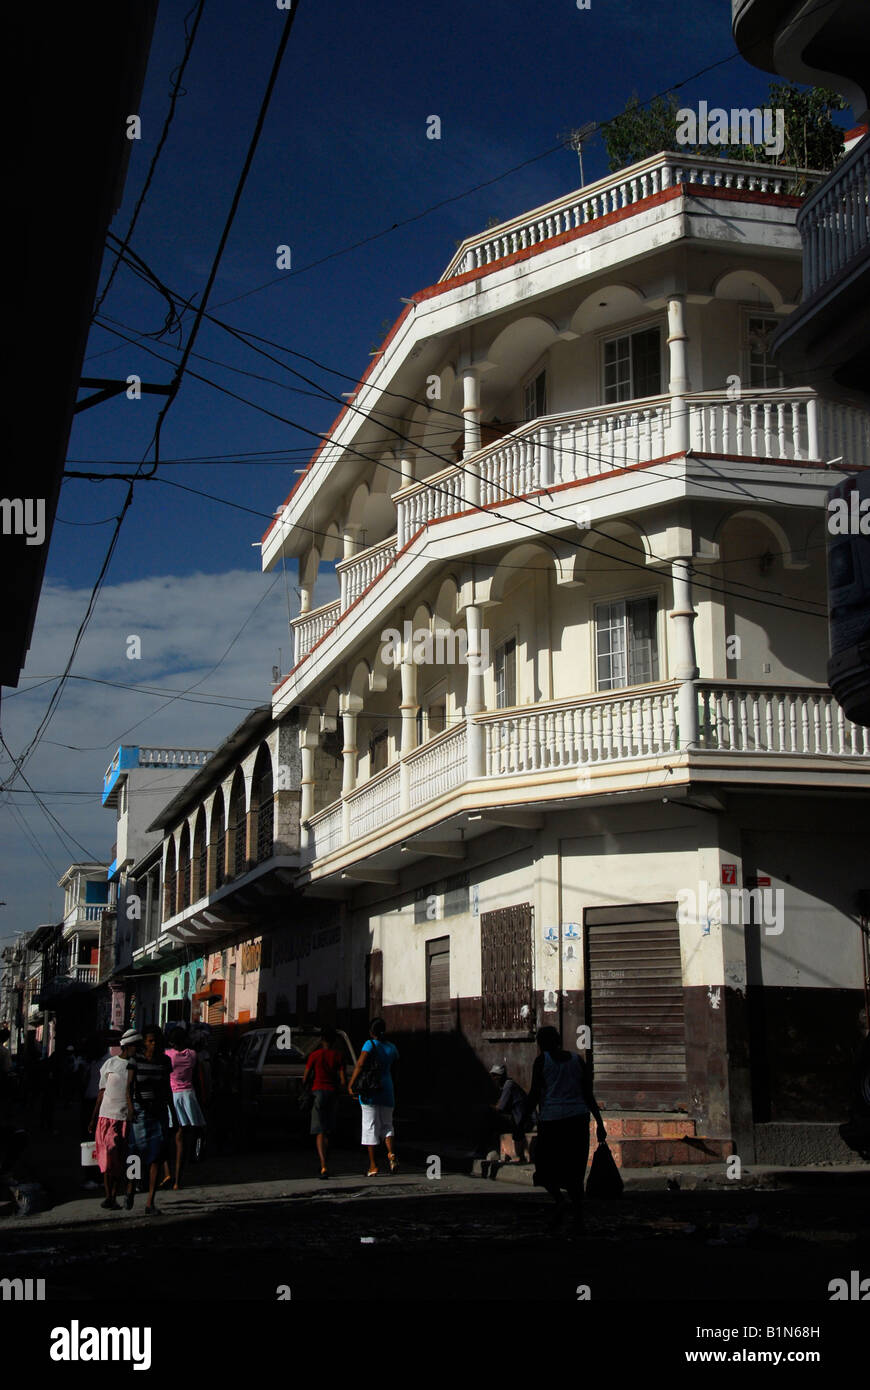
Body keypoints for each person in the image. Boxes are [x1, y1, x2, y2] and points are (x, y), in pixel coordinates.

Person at [525, 1026, 606, 1218]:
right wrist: (599, 1123)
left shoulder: (542, 1061)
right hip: (578, 1119)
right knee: (575, 1166)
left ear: (541, 1044)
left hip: (552, 1121)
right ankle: (577, 1208)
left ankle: (561, 1201)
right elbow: (588, 1094)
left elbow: (534, 1094)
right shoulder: (577, 1060)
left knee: (544, 1167)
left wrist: (521, 1123)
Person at [89, 1029, 141, 1210]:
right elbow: (101, 1093)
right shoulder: (110, 1064)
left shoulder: (136, 1066)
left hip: (125, 1118)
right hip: (106, 1117)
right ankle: (109, 1195)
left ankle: (121, 1193)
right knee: (107, 1158)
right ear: (128, 1046)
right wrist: (93, 1118)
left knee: (121, 1160)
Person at [128, 1027, 172, 1214]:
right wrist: (130, 1107)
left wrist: (173, 1114)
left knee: (157, 1155)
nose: (153, 1045)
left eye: (156, 1041)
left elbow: (167, 1088)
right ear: (144, 1042)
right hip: (139, 1109)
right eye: (150, 1041)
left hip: (159, 1110)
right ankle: (131, 1187)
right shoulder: (135, 1060)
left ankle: (150, 1202)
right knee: (135, 1153)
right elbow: (129, 1086)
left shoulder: (165, 1061)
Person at [348, 1018, 399, 1177]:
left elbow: (360, 1064)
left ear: (371, 1032)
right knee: (387, 1125)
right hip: (387, 1090)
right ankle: (391, 1155)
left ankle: (373, 1166)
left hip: (370, 1090)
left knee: (370, 1127)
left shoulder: (369, 1044)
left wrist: (351, 1083)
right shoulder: (392, 1047)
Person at [165, 1027, 206, 1190]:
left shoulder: (168, 1055)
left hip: (172, 1096)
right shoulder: (193, 1055)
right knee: (182, 1140)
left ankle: (167, 1171)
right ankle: (178, 1180)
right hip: (188, 1096)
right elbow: (199, 1076)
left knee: (167, 1137)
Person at [303, 1027, 347, 1178]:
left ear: (322, 1041)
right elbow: (342, 1080)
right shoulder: (338, 1056)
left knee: (320, 1131)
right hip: (332, 1093)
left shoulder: (314, 1056)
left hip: (318, 1092)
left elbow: (305, 1078)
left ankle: (323, 1165)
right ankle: (326, 1161)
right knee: (328, 1130)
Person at [473, 1064, 529, 1168]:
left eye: (495, 1076)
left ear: (499, 1076)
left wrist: (487, 1107)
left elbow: (500, 1107)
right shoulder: (505, 1086)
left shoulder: (509, 1085)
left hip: (522, 1121)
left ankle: (491, 1150)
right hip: (517, 1119)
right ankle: (491, 1150)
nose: (493, 1078)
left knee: (490, 1122)